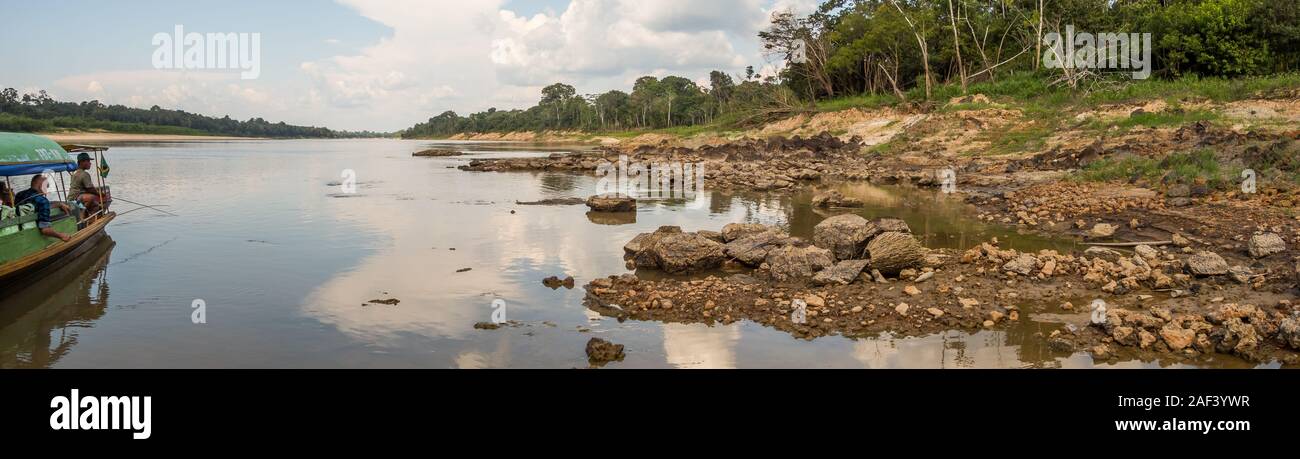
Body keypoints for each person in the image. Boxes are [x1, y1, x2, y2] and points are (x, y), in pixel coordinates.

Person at [15, 174, 72, 242]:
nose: (46, 191)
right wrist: (61, 235)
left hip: (19, 229)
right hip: (33, 234)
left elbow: (35, 206)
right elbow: (45, 230)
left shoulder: (19, 195)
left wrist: (59, 204)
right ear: (41, 186)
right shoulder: (43, 201)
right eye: (46, 187)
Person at [69, 152, 102, 219]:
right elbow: (90, 189)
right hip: (76, 197)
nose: (90, 163)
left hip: (72, 197)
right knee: (92, 197)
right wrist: (100, 194)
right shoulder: (84, 174)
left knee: (95, 204)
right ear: (82, 162)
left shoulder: (75, 172)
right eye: (88, 161)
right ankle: (83, 212)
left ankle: (89, 218)